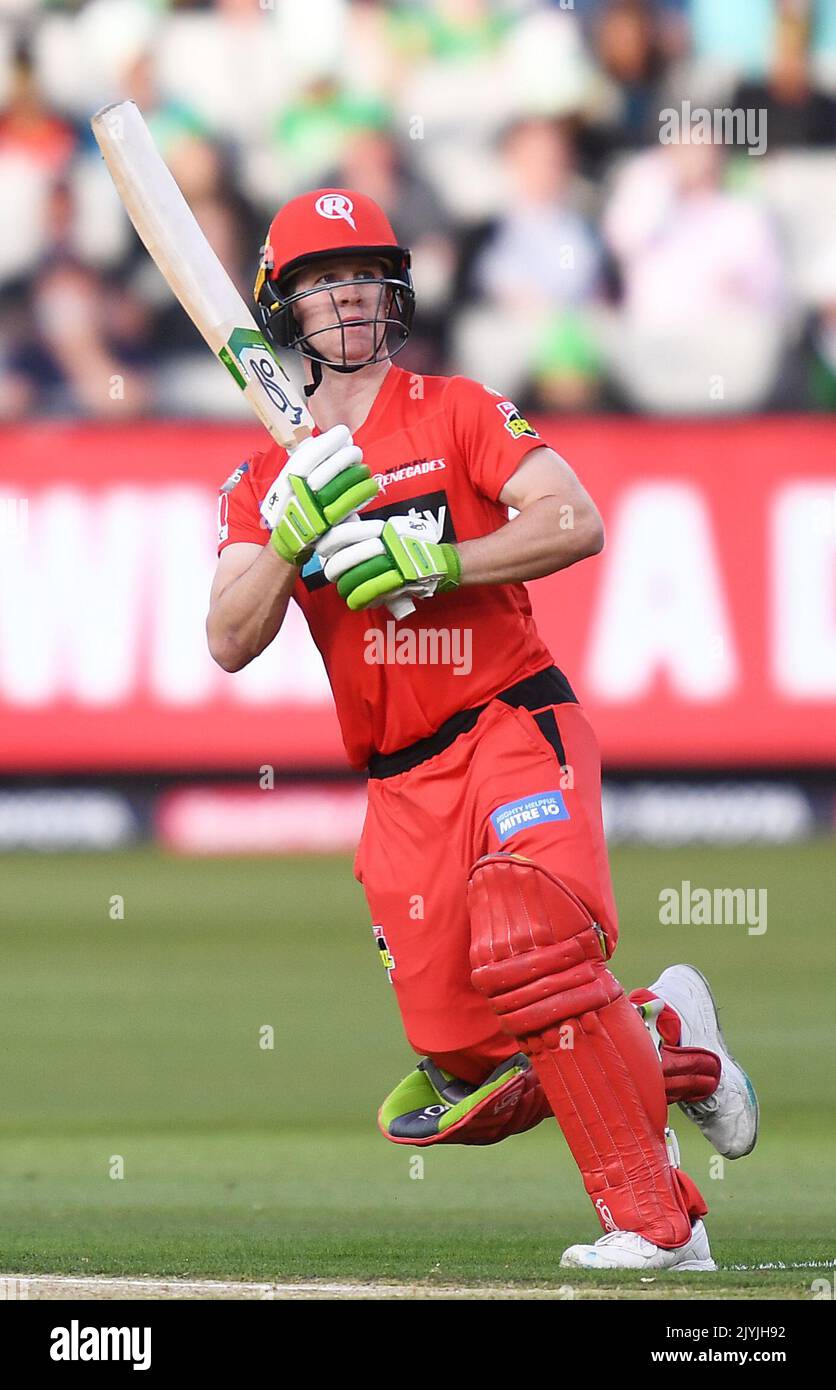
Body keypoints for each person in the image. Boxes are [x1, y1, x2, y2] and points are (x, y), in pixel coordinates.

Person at [206, 187, 758, 1271]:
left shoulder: (455, 410)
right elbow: (228, 636)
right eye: (322, 280)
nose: (348, 295)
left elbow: (572, 518)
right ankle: (672, 1042)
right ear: (284, 306)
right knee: (474, 1063)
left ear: (396, 288)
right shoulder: (262, 479)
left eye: (364, 273)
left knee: (529, 939)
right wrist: (287, 537)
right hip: (398, 783)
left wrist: (437, 559)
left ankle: (653, 1224)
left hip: (507, 716)